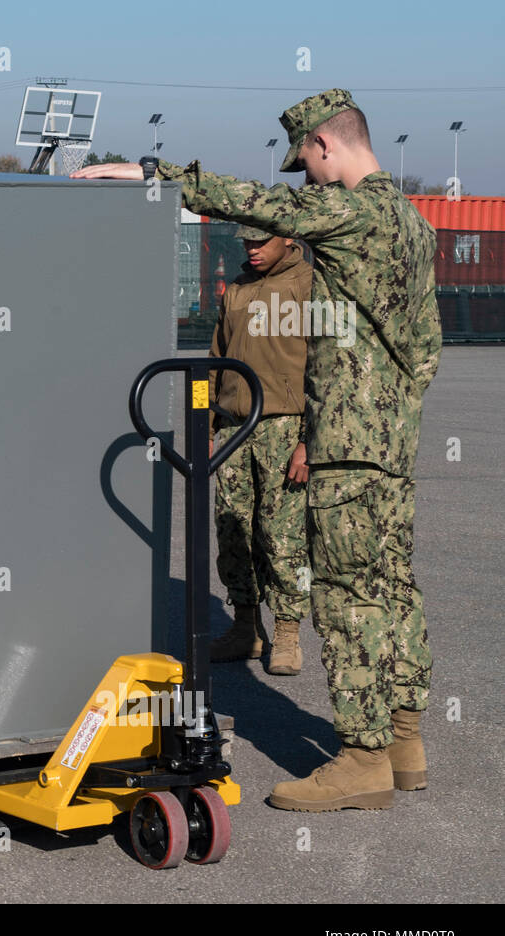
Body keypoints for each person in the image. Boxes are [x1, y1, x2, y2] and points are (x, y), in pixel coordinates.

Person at [73, 88, 440, 812]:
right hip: (390, 443)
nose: (305, 175)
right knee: (393, 583)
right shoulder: (413, 222)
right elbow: (425, 349)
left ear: (326, 144)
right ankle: (404, 739)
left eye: (305, 160)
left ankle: (362, 759)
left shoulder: (354, 208)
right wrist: (392, 417)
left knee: (349, 595)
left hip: (348, 444)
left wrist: (152, 172)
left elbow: (255, 202)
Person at [207, 226, 313, 675]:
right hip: (233, 426)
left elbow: (328, 369)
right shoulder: (238, 289)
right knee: (233, 528)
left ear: (288, 240)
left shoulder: (311, 287)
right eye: (246, 243)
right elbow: (214, 359)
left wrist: (309, 441)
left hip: (285, 426)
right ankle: (246, 628)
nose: (251, 250)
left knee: (281, 533)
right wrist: (206, 422)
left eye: (260, 243)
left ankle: (288, 633)